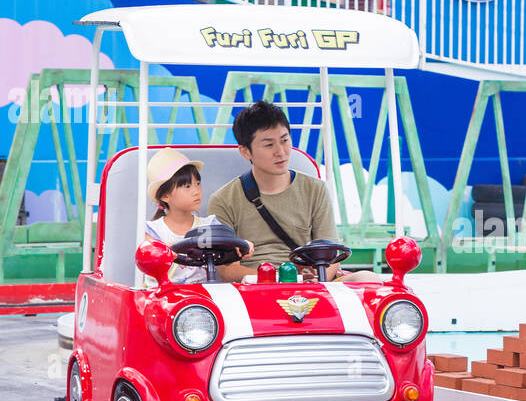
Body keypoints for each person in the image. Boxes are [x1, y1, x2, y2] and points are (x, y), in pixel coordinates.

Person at [208, 100, 380, 283]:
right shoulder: (223, 200)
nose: (281, 152)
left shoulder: (316, 189)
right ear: (245, 152)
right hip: (253, 287)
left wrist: (317, 281)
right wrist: (279, 280)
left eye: (285, 140)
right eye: (269, 145)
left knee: (369, 278)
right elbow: (226, 270)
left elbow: (331, 255)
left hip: (310, 285)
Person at [142, 149, 243, 285]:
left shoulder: (210, 225)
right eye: (187, 186)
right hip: (165, 297)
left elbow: (228, 256)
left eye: (198, 183)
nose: (196, 191)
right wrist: (164, 250)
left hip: (203, 298)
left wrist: (238, 247)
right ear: (165, 196)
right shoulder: (153, 232)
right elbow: (149, 260)